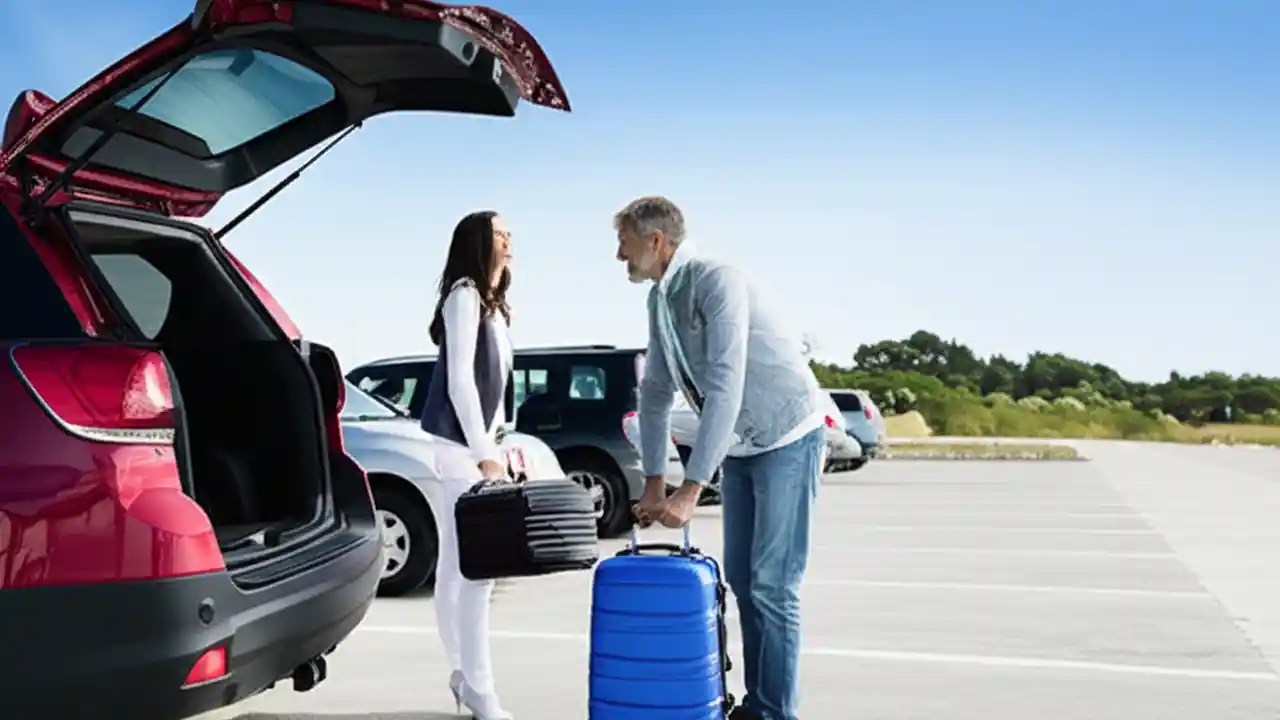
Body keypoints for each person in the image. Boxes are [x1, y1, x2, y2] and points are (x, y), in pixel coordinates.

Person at [616, 196, 825, 720]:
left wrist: (692, 487)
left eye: (624, 242)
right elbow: (657, 392)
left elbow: (726, 385)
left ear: (656, 241)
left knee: (773, 585)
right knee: (741, 579)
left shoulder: (717, 280)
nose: (619, 255)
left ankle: (774, 713)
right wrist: (655, 480)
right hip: (741, 446)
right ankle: (759, 706)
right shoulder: (660, 298)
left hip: (786, 435)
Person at [418, 210, 515, 720]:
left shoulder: (495, 308)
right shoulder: (464, 296)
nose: (508, 240)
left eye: (508, 233)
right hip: (459, 451)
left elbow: (493, 392)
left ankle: (465, 676)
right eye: (498, 233)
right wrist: (484, 455)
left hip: (477, 449)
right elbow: (460, 382)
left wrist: (500, 444)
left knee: (461, 568)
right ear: (477, 243)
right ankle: (479, 687)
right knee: (476, 571)